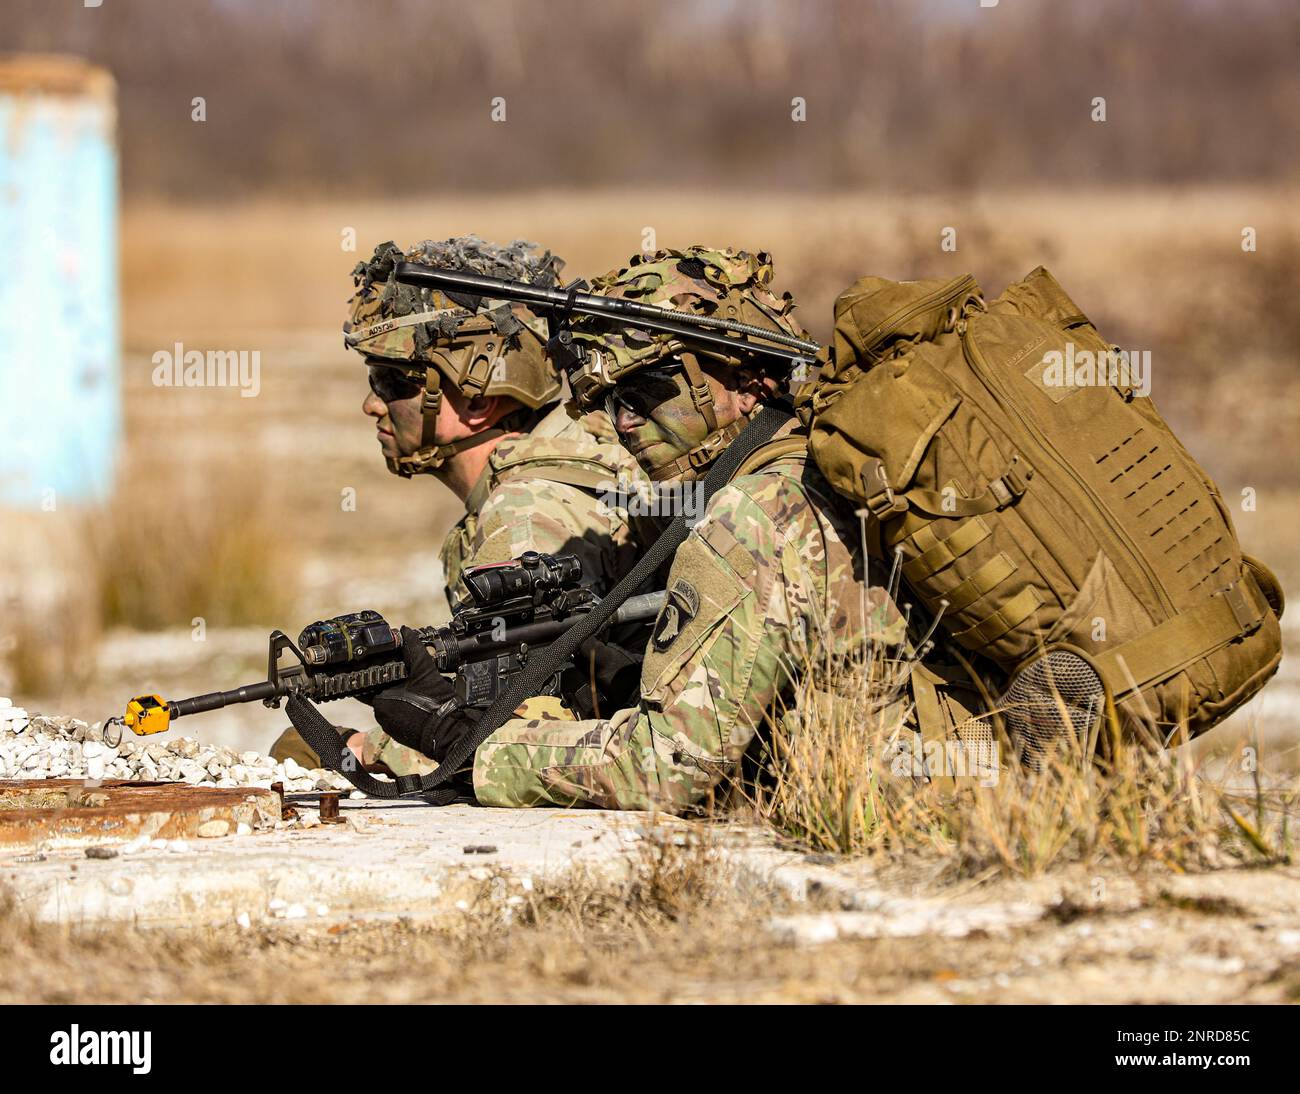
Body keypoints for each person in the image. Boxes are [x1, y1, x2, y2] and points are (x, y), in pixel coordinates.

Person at [368, 245, 912, 810]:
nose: (624, 422)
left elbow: (670, 768)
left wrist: (468, 746)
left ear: (747, 382)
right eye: (611, 400)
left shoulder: (748, 516)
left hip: (883, 817)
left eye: (646, 394)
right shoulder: (819, 466)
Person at [271, 237, 651, 776]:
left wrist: (366, 751)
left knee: (301, 748)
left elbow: (514, 740)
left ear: (476, 400)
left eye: (394, 381)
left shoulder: (525, 517)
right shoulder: (571, 458)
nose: (372, 404)